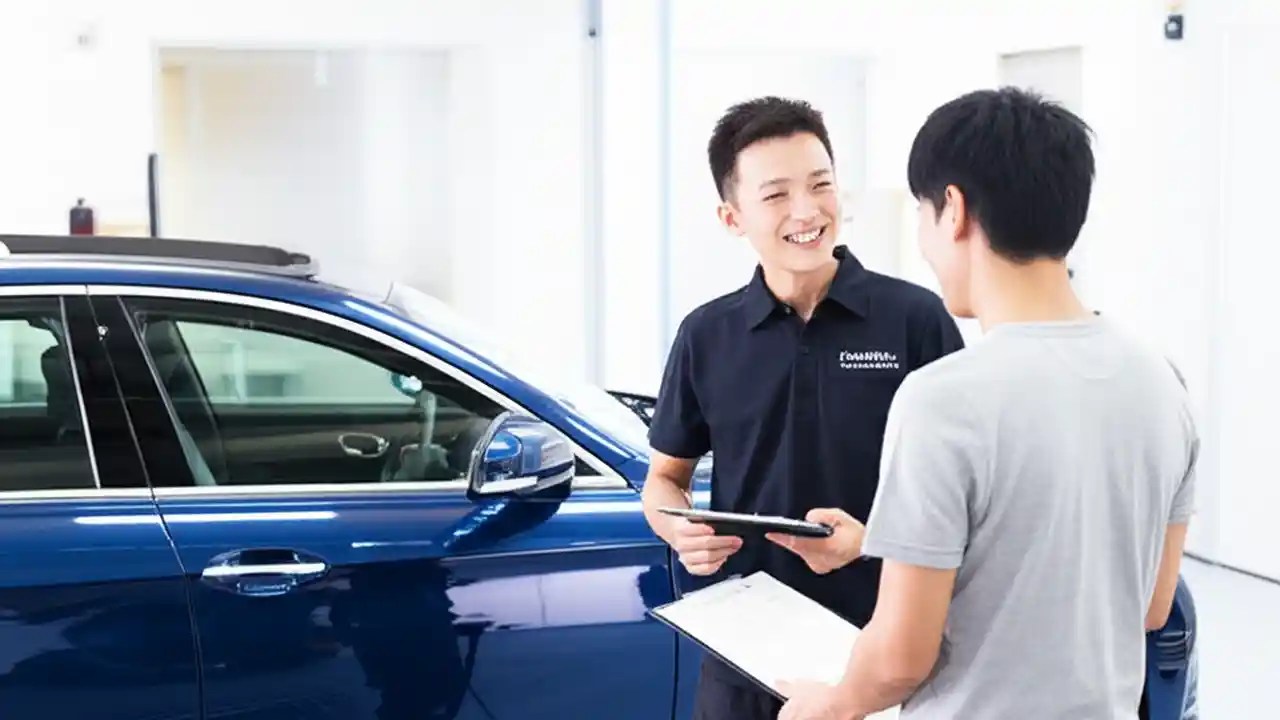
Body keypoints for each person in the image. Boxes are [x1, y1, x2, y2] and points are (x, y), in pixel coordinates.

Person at [777, 87, 1199, 720]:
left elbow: (899, 658)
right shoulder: (1162, 381)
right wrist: (886, 544)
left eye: (921, 213)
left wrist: (831, 705)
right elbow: (1150, 604)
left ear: (953, 210)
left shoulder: (943, 399)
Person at [640, 96, 964, 720]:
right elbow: (665, 477)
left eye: (821, 185)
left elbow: (965, 494)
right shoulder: (707, 334)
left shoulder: (914, 320)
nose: (807, 211)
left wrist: (871, 543)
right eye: (776, 195)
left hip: (883, 655)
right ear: (732, 217)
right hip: (745, 655)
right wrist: (674, 526)